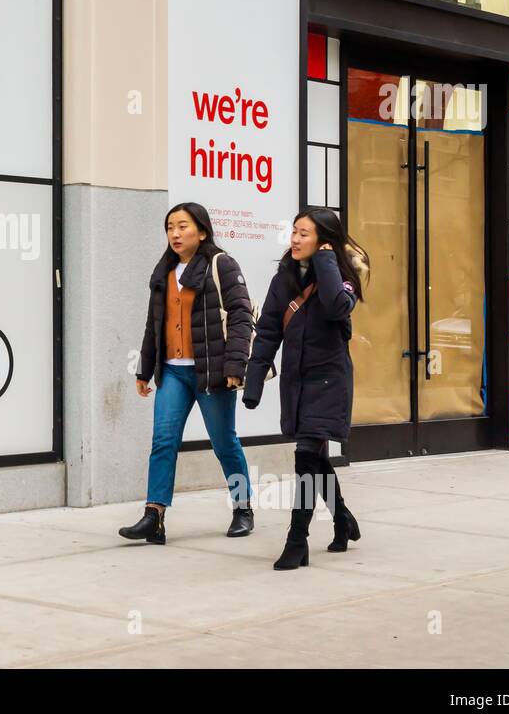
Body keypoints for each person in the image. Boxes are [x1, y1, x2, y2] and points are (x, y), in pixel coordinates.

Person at [119, 202, 256, 545]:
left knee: (224, 443)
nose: (175, 234)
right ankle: (154, 516)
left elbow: (241, 316)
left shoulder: (220, 264)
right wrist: (144, 369)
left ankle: (243, 507)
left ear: (203, 231)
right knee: (163, 442)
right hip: (173, 372)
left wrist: (235, 366)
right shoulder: (164, 271)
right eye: (170, 227)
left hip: (211, 372)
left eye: (183, 226)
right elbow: (154, 325)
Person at [242, 207, 369, 570]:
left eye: (304, 233)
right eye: (294, 232)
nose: (295, 239)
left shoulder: (343, 278)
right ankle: (342, 519)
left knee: (306, 456)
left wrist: (328, 261)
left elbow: (335, 307)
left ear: (324, 240)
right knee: (315, 457)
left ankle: (297, 540)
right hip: (297, 382)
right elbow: (267, 330)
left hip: (329, 380)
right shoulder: (283, 278)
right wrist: (255, 381)